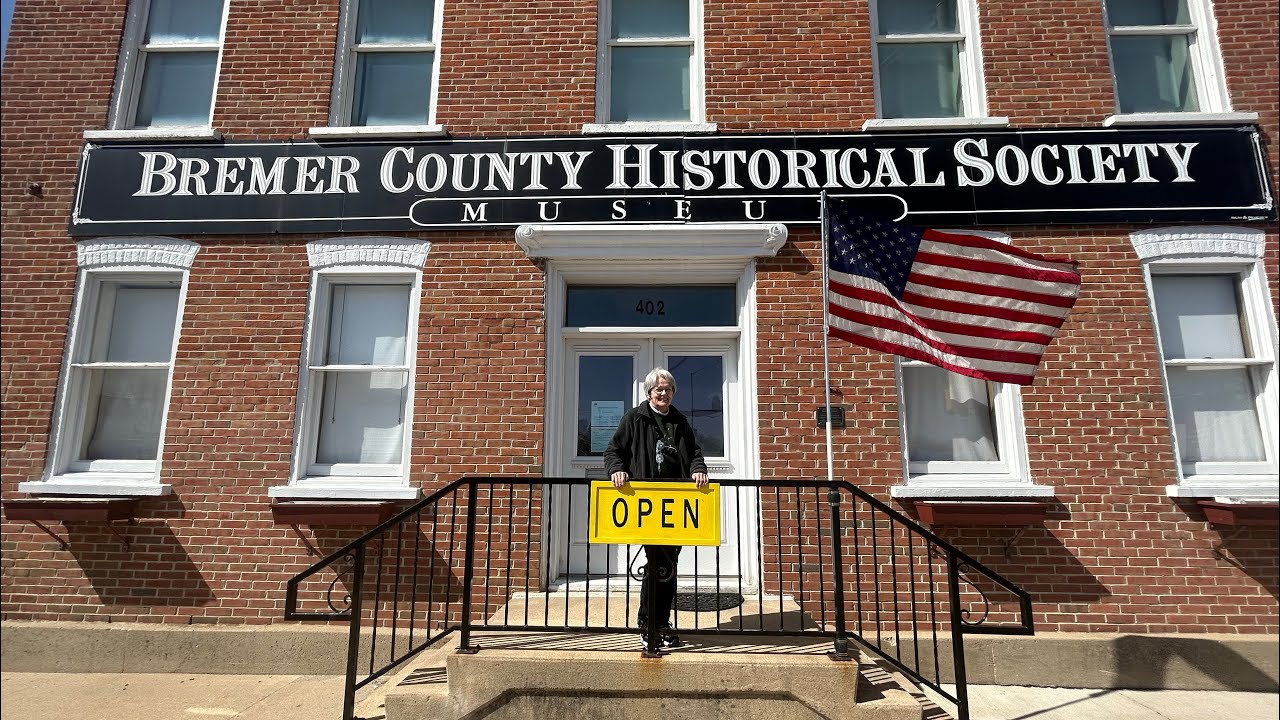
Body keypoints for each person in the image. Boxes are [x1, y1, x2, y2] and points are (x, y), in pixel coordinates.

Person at [603, 367, 709, 649]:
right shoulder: (635, 418)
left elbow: (695, 454)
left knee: (669, 566)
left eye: (668, 389)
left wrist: (698, 469)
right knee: (657, 565)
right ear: (649, 392)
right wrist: (617, 470)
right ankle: (648, 622)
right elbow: (614, 451)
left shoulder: (680, 421)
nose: (663, 393)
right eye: (658, 389)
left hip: (677, 503)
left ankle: (661, 621)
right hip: (648, 503)